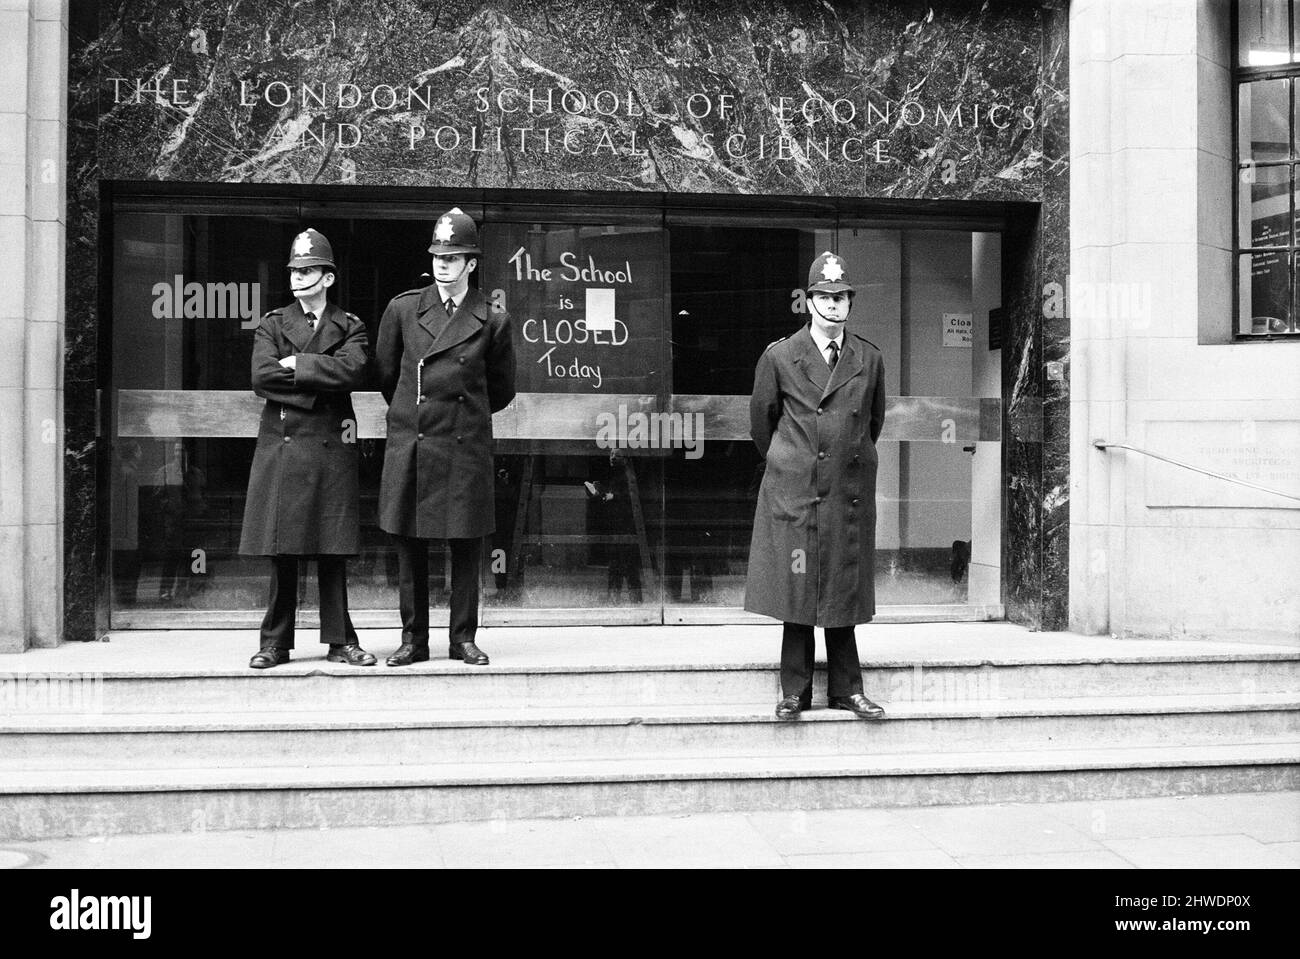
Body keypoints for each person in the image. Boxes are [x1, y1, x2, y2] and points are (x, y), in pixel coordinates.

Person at [744, 251, 887, 720]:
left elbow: (872, 423)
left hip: (846, 492)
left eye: (841, 296)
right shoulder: (781, 356)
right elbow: (763, 426)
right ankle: (794, 691)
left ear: (850, 303)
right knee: (797, 589)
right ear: (808, 301)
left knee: (842, 588)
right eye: (824, 296)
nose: (833, 304)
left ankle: (847, 689)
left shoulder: (869, 357)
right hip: (797, 491)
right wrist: (795, 464)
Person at [376, 207, 516, 666]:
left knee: (465, 544)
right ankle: (414, 639)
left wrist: (461, 420)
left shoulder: (492, 320)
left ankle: (463, 638)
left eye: (453, 257)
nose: (442, 264)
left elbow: (500, 389)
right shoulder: (402, 309)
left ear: (471, 264)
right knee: (410, 545)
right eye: (438, 255)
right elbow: (386, 376)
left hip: (463, 443)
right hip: (414, 442)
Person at [239, 228, 375, 669]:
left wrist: (297, 365)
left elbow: (353, 372)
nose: (298, 278)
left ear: (328, 277)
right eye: (295, 270)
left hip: (331, 447)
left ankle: (341, 641)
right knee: (282, 549)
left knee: (333, 548)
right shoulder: (273, 323)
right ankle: (274, 643)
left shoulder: (350, 325)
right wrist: (320, 378)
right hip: (284, 447)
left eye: (309, 270)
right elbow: (262, 379)